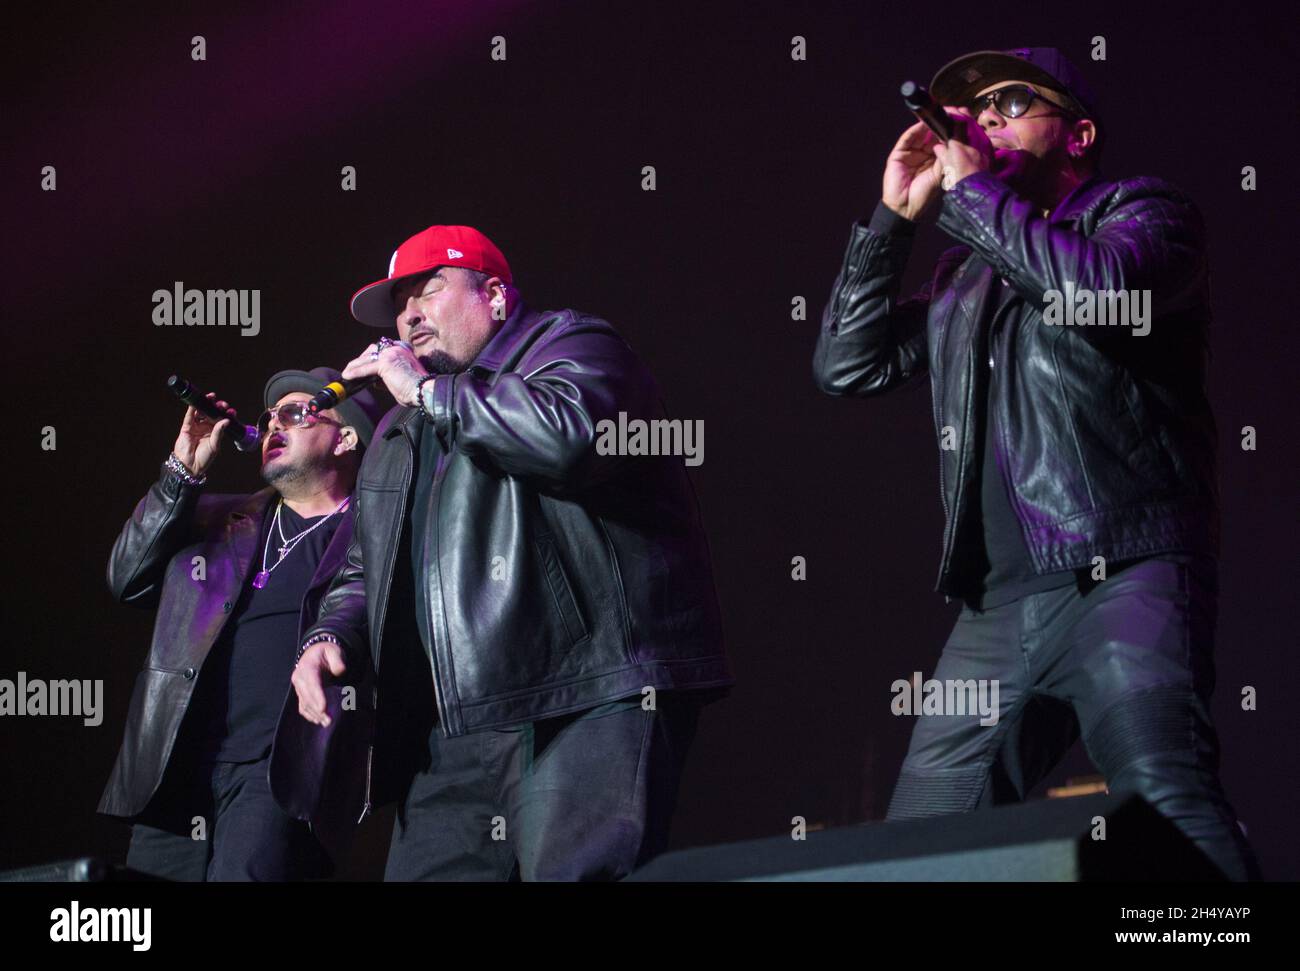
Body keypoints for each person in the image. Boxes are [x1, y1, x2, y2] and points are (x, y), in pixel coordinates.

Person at [813, 47, 1261, 880]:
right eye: (972, 110)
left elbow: (1093, 292)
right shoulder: (966, 274)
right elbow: (848, 365)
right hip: (995, 609)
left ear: (1079, 132)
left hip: (1123, 571)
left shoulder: (1144, 212)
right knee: (919, 843)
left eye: (1010, 101)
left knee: (1164, 795)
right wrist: (891, 222)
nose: (982, 118)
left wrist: (976, 192)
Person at [291, 224, 732, 880]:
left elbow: (572, 437)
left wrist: (426, 393)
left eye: (428, 291)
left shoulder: (571, 343)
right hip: (452, 726)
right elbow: (365, 559)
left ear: (495, 295)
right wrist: (330, 632)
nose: (409, 316)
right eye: (400, 307)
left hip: (583, 694)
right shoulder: (399, 428)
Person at [99, 368, 384, 880]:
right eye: (271, 416)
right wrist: (181, 471)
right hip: (179, 767)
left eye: (297, 414)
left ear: (346, 438)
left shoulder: (371, 533)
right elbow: (127, 579)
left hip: (278, 773)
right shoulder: (213, 518)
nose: (275, 424)